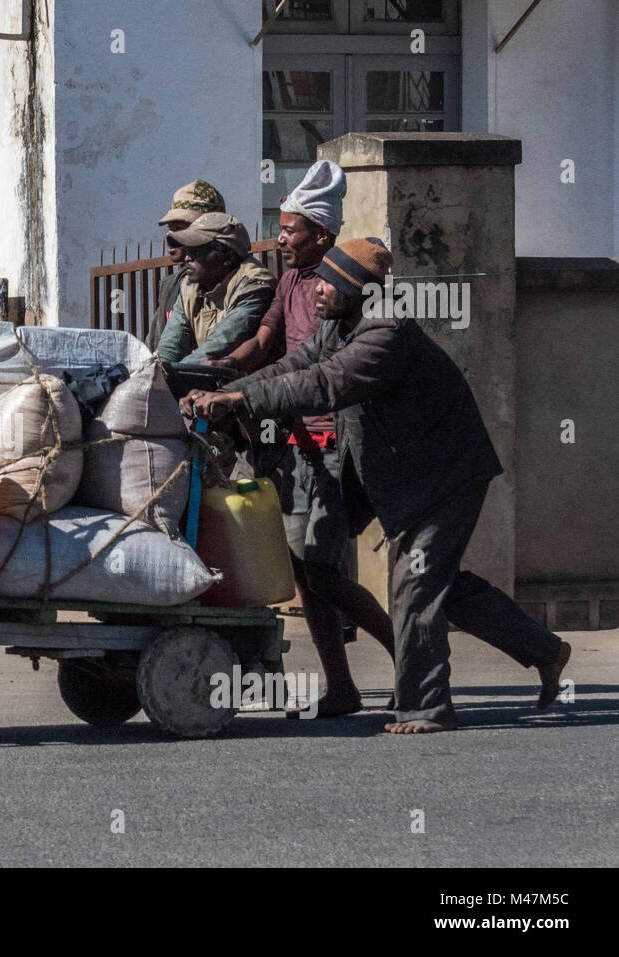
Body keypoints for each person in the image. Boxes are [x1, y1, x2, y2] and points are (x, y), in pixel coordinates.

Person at [187, 238, 572, 733]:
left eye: (329, 281)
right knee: (353, 572)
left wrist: (238, 401)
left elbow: (323, 384)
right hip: (386, 469)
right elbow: (295, 366)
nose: (318, 289)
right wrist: (229, 389)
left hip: (444, 475)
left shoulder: (384, 333)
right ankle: (545, 649)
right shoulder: (338, 324)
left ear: (355, 289)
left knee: (415, 583)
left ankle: (428, 707)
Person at [206, 160, 395, 717]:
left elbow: (316, 373)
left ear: (323, 236)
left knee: (320, 569)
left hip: (331, 444)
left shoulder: (337, 292)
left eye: (290, 231)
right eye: (282, 228)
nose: (281, 238)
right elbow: (267, 342)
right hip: (288, 439)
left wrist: (242, 393)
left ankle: (404, 657)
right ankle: (343, 686)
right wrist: (219, 375)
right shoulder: (288, 279)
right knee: (306, 575)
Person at [154, 212, 274, 391]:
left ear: (227, 257)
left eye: (196, 251)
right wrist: (153, 375)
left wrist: (162, 381)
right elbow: (170, 347)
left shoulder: (253, 285)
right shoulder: (190, 285)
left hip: (254, 394)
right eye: (187, 250)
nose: (187, 258)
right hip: (215, 392)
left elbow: (216, 349)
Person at [147, 179, 227, 354]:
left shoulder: (233, 283)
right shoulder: (170, 286)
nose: (170, 235)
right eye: (170, 227)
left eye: (179, 227)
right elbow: (155, 346)